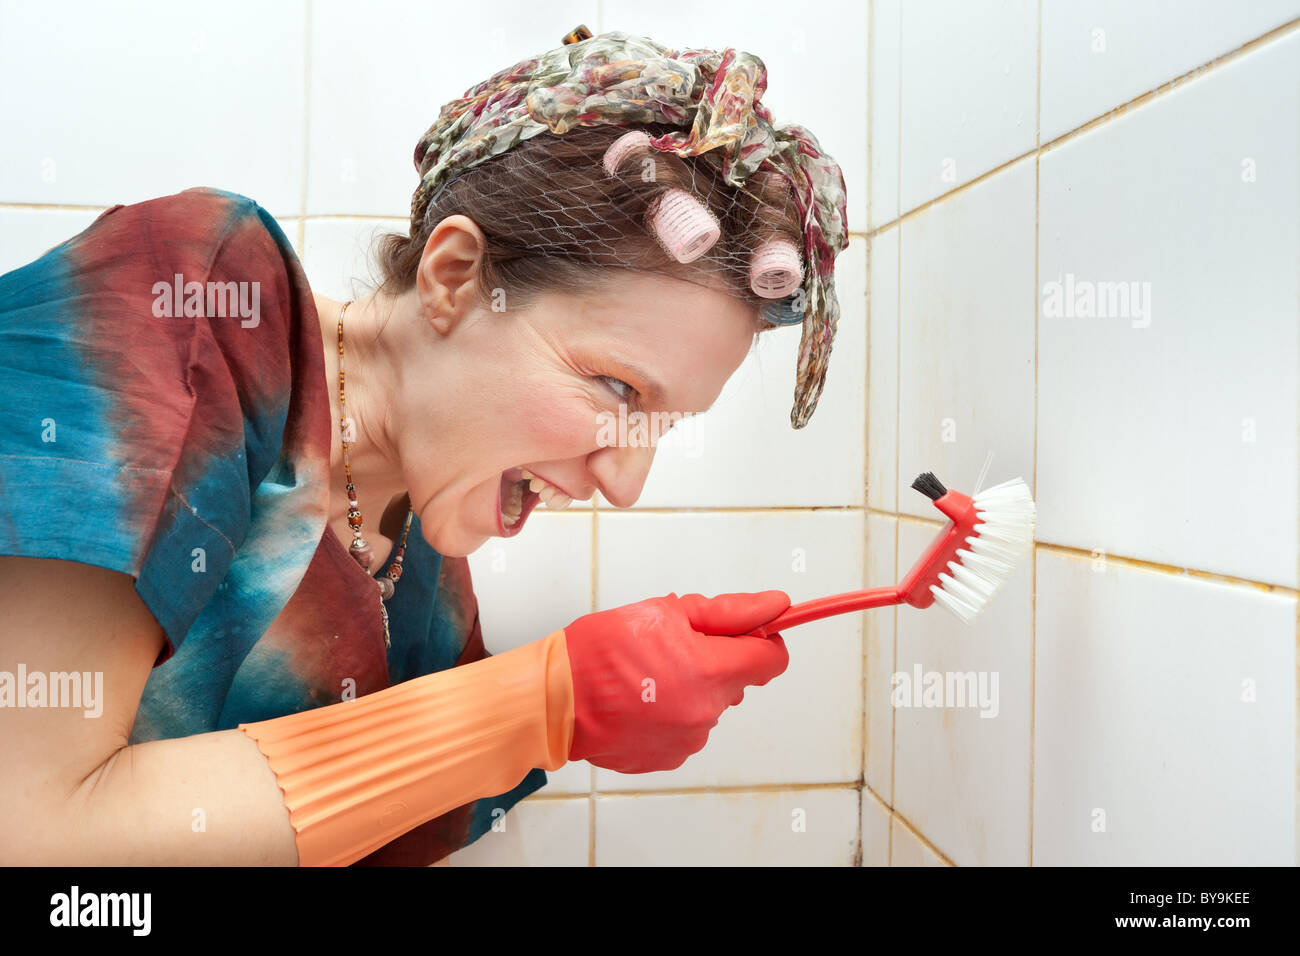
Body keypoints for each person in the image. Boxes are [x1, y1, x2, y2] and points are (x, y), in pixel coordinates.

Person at [0, 26, 849, 866]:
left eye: (664, 427)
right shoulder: (205, 302)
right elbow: (30, 830)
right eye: (619, 389)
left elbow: (382, 818)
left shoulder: (423, 549)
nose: (626, 482)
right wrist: (540, 704)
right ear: (452, 279)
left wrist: (584, 703)